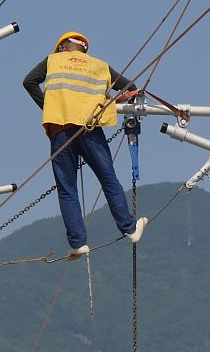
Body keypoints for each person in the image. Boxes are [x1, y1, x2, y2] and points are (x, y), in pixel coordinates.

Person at [23, 31, 147, 259]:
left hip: (60, 129)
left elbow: (29, 81)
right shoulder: (99, 66)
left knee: (67, 188)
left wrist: (48, 106)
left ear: (62, 47)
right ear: (83, 49)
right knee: (108, 179)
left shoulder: (53, 61)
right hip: (90, 130)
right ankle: (129, 229)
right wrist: (117, 99)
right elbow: (130, 87)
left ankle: (78, 243)